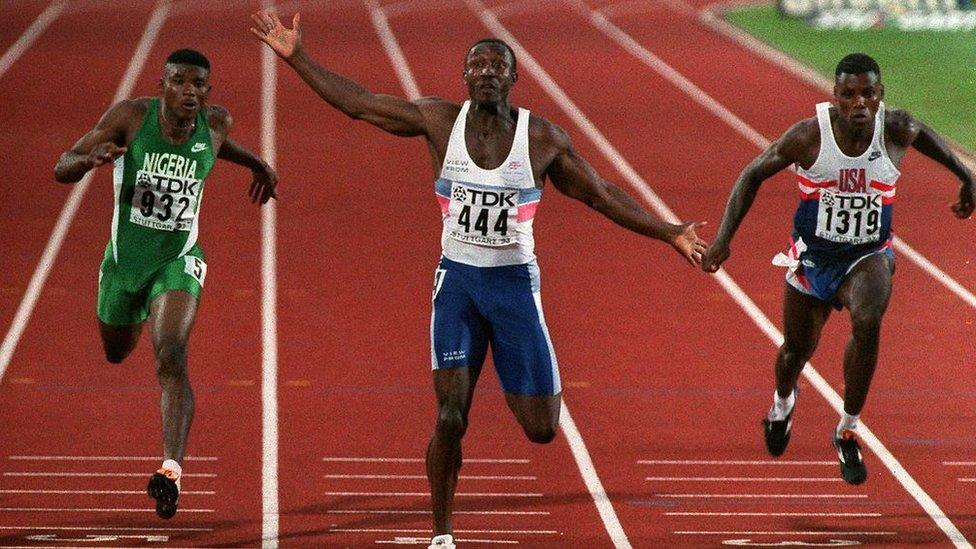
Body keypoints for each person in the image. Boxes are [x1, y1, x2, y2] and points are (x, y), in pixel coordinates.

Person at [250, 10, 706, 548]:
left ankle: (513, 377)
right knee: (449, 414)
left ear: (514, 79)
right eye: (478, 64)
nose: (487, 71)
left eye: (498, 65)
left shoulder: (542, 140)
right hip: (459, 286)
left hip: (514, 287)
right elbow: (359, 104)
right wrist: (299, 58)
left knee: (542, 429)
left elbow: (601, 195)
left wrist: (670, 231)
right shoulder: (438, 120)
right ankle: (441, 535)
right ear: (464, 77)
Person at [702, 53, 974, 485]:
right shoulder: (810, 136)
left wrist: (965, 175)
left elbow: (924, 136)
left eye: (868, 93)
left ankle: (847, 428)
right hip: (812, 258)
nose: (860, 103)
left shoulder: (896, 128)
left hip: (868, 254)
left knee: (868, 319)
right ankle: (782, 403)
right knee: (795, 351)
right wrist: (722, 239)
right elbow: (753, 173)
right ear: (836, 97)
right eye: (849, 94)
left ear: (880, 95)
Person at [53, 49, 278, 518]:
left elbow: (218, 145)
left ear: (207, 92)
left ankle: (171, 469)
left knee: (171, 353)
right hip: (124, 265)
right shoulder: (132, 118)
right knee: (116, 351)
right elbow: (62, 165)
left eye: (199, 84)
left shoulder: (216, 122)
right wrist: (89, 158)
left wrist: (257, 162)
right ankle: (129, 312)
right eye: (180, 82)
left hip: (178, 259)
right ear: (163, 86)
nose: (190, 92)